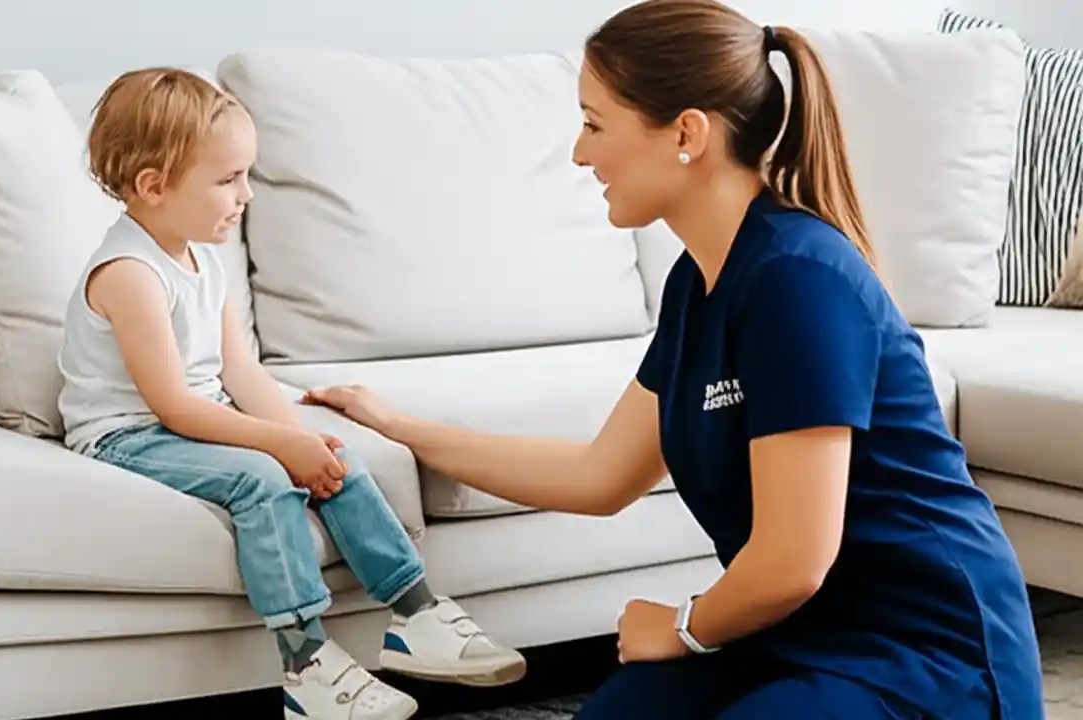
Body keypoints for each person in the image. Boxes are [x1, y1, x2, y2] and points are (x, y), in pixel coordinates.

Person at [301, 1, 1047, 717]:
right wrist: (399, 426)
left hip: (927, 650)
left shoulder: (800, 278)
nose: (578, 151)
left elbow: (793, 559)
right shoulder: (698, 282)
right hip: (795, 631)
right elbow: (599, 476)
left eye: (595, 124)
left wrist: (686, 625)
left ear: (686, 132)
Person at [55, 67, 526, 720]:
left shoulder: (202, 259)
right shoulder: (130, 273)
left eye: (246, 175)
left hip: (189, 420)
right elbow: (172, 405)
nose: (245, 194)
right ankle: (305, 667)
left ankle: (416, 615)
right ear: (153, 186)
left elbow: (240, 373)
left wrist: (308, 443)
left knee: (335, 456)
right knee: (264, 479)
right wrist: (280, 446)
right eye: (227, 180)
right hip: (126, 434)